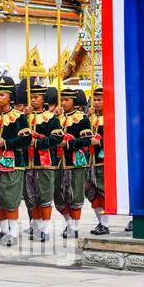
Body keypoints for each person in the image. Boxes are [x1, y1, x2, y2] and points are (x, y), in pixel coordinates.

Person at [0, 75, 29, 248]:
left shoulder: (18, 117)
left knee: (11, 197)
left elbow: (25, 140)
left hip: (13, 162)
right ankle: (3, 229)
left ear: (10, 97)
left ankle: (12, 232)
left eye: (3, 94)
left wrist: (6, 143)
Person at [54, 87, 94, 240]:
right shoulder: (57, 119)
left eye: (67, 100)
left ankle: (74, 227)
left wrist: (69, 144)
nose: (63, 103)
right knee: (57, 194)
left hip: (75, 162)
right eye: (62, 100)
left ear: (74, 102)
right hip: (58, 162)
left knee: (74, 194)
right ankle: (69, 222)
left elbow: (86, 140)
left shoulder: (82, 119)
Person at [23, 82, 60, 243]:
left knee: (44, 196)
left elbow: (57, 138)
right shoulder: (24, 118)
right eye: (31, 97)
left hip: (44, 163)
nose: (32, 100)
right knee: (31, 197)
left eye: (36, 97)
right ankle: (36, 227)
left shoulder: (52, 118)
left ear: (43, 99)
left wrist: (37, 143)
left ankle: (45, 229)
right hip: (27, 162)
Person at [85, 88, 112, 235]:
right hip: (90, 160)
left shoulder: (111, 117)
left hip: (103, 160)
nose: (96, 102)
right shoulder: (91, 118)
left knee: (103, 192)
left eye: (100, 99)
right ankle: (100, 222)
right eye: (95, 99)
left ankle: (105, 224)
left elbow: (115, 138)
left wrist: (100, 142)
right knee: (91, 192)